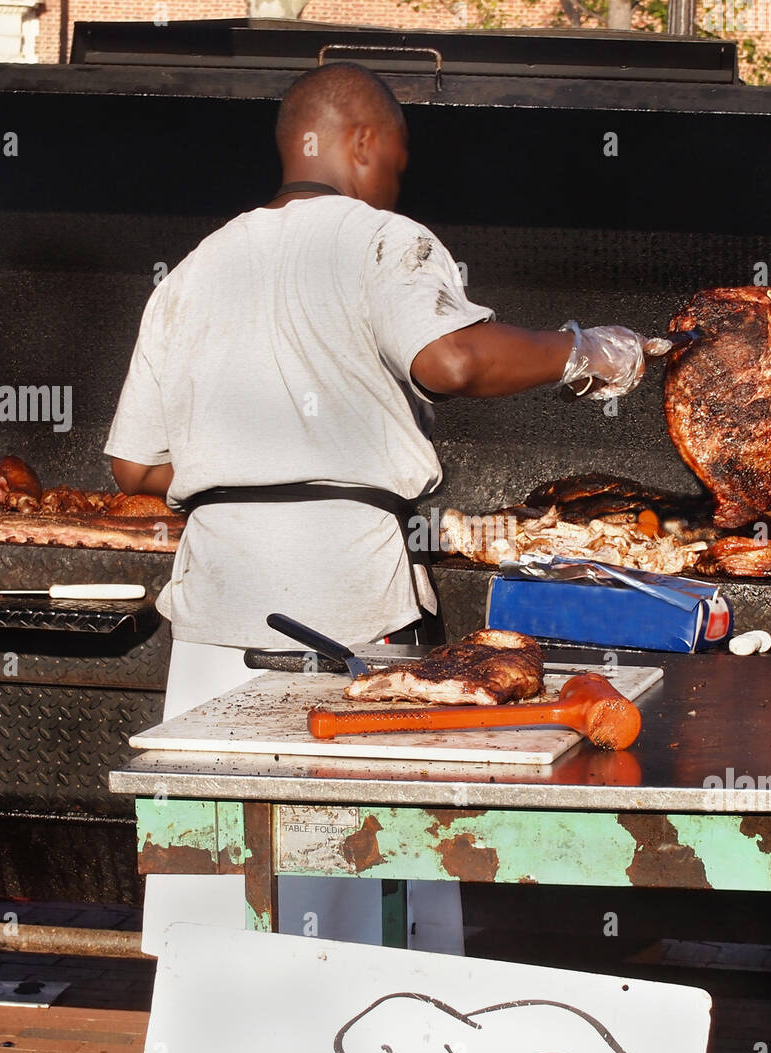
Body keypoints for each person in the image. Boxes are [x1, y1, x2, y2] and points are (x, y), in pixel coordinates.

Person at [105, 62, 654, 955]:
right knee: (362, 910)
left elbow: (135, 463)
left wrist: (244, 475)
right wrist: (581, 350)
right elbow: (452, 362)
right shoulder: (381, 240)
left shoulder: (196, 268)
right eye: (395, 160)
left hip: (210, 629)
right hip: (346, 616)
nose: (398, 180)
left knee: (212, 904)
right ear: (359, 143)